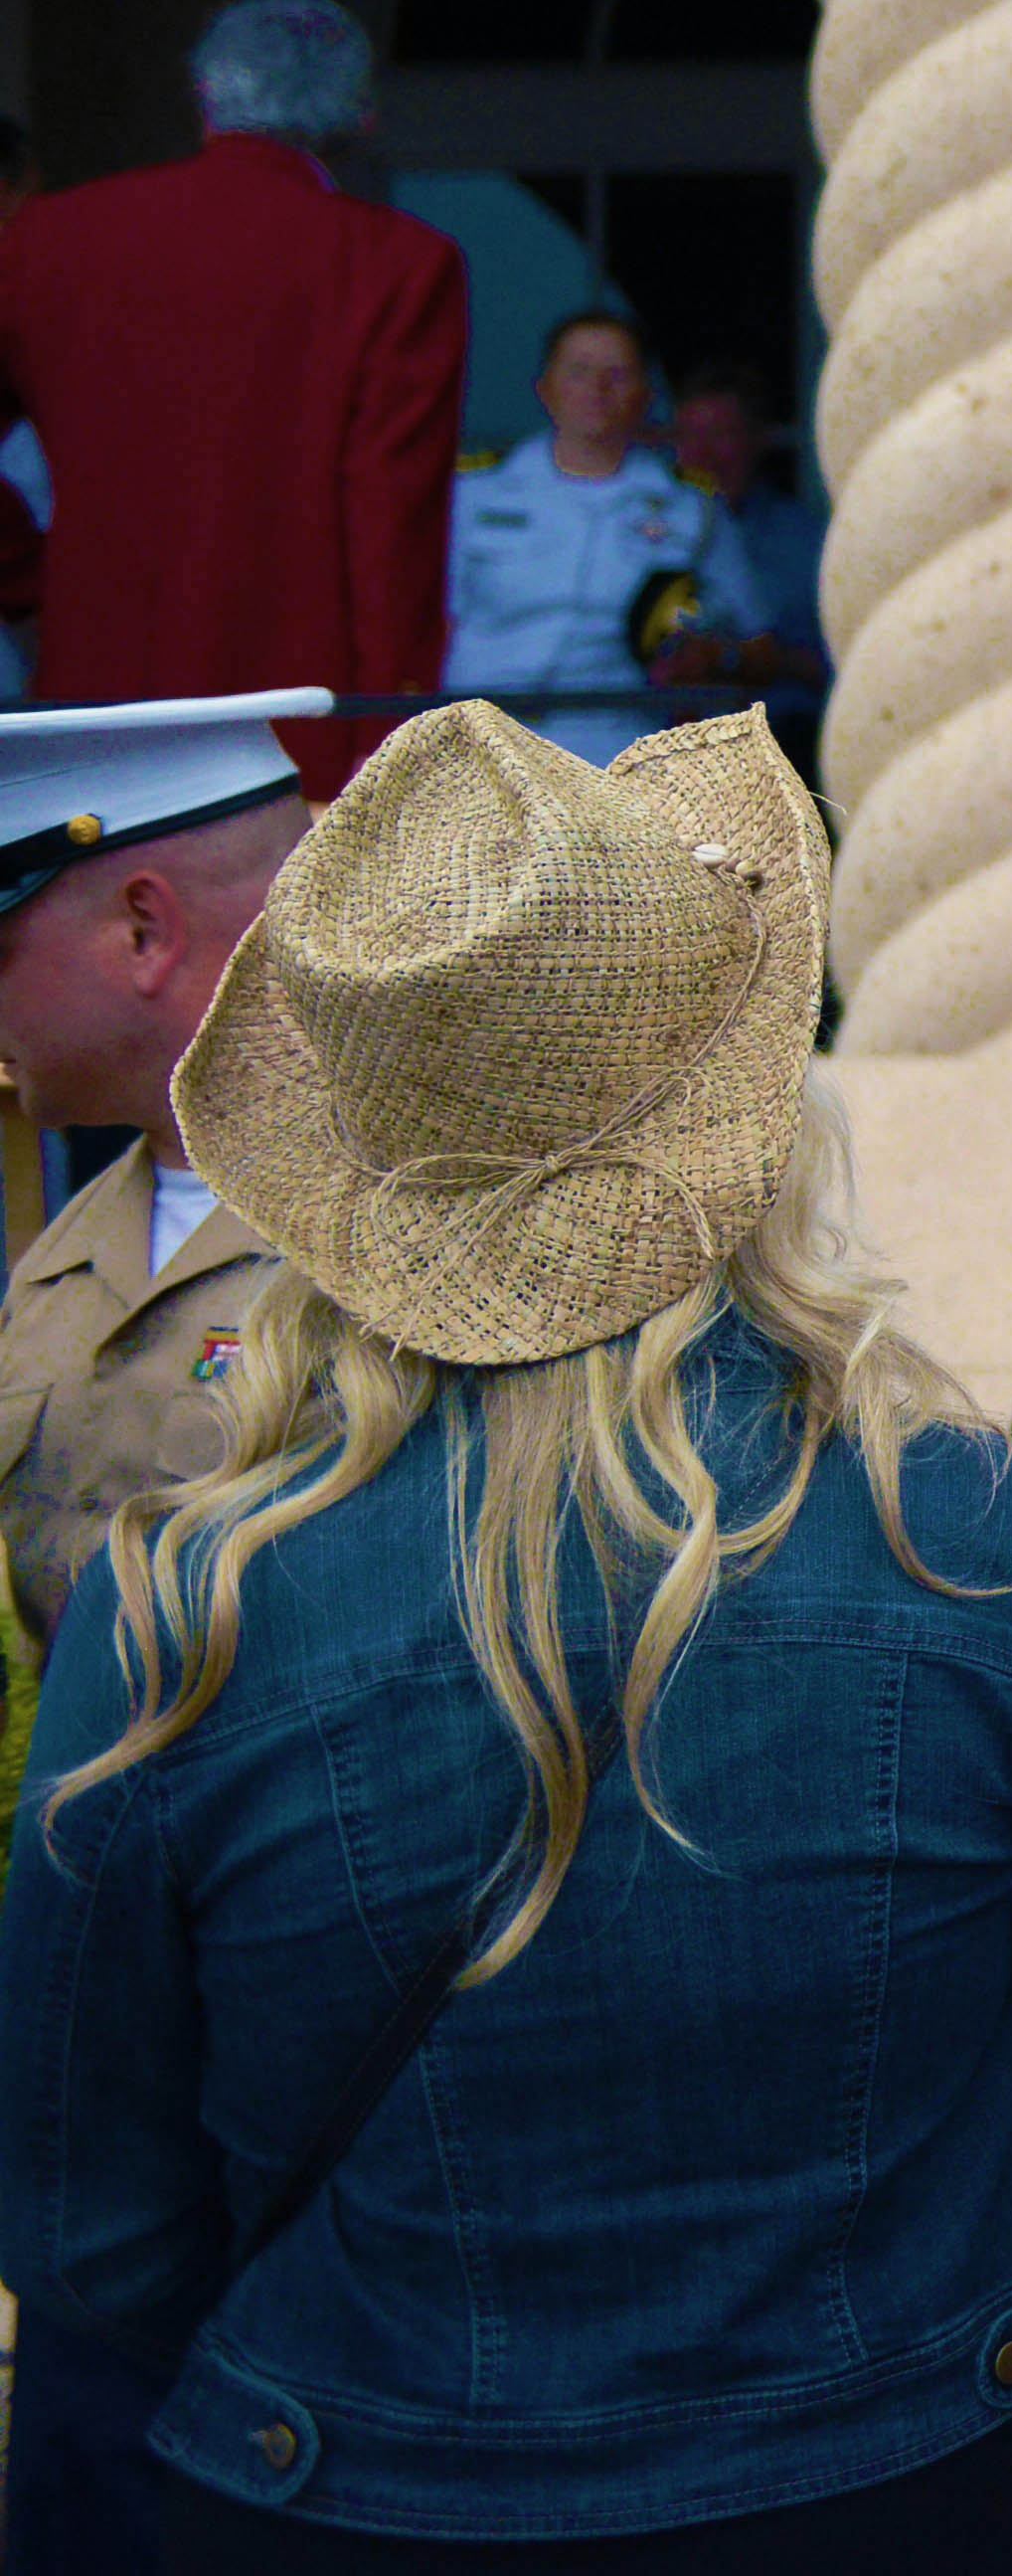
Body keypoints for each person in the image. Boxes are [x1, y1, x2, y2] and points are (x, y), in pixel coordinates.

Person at [0, 701, 1012, 2570]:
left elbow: (89, 2221)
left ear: (348, 1173)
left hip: (353, 2485)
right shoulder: (987, 1539)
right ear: (746, 1103)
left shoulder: (181, 1607)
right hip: (889, 2486)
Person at [0, 692, 313, 2566]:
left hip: (314, 2087)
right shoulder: (75, 1230)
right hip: (94, 2078)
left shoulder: (412, 1224)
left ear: (138, 929)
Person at [0, 0, 463, 796]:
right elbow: (393, 533)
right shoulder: (396, 263)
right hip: (294, 738)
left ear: (205, 93)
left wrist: (28, 580)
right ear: (353, 113)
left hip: (90, 715)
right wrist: (391, 737)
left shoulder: (45, 241)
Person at [441, 309, 765, 767]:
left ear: (645, 394)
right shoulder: (473, 493)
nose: (597, 387)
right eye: (578, 371)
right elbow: (428, 629)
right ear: (545, 389)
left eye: (617, 373)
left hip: (620, 743)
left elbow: (758, 644)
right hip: (481, 736)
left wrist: (712, 657)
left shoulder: (691, 506)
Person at [661, 362, 833, 715]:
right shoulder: (647, 532)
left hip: (782, 741)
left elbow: (840, 672)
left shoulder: (807, 541)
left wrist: (736, 658)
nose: (700, 452)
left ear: (758, 438)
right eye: (687, 435)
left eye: (720, 433)